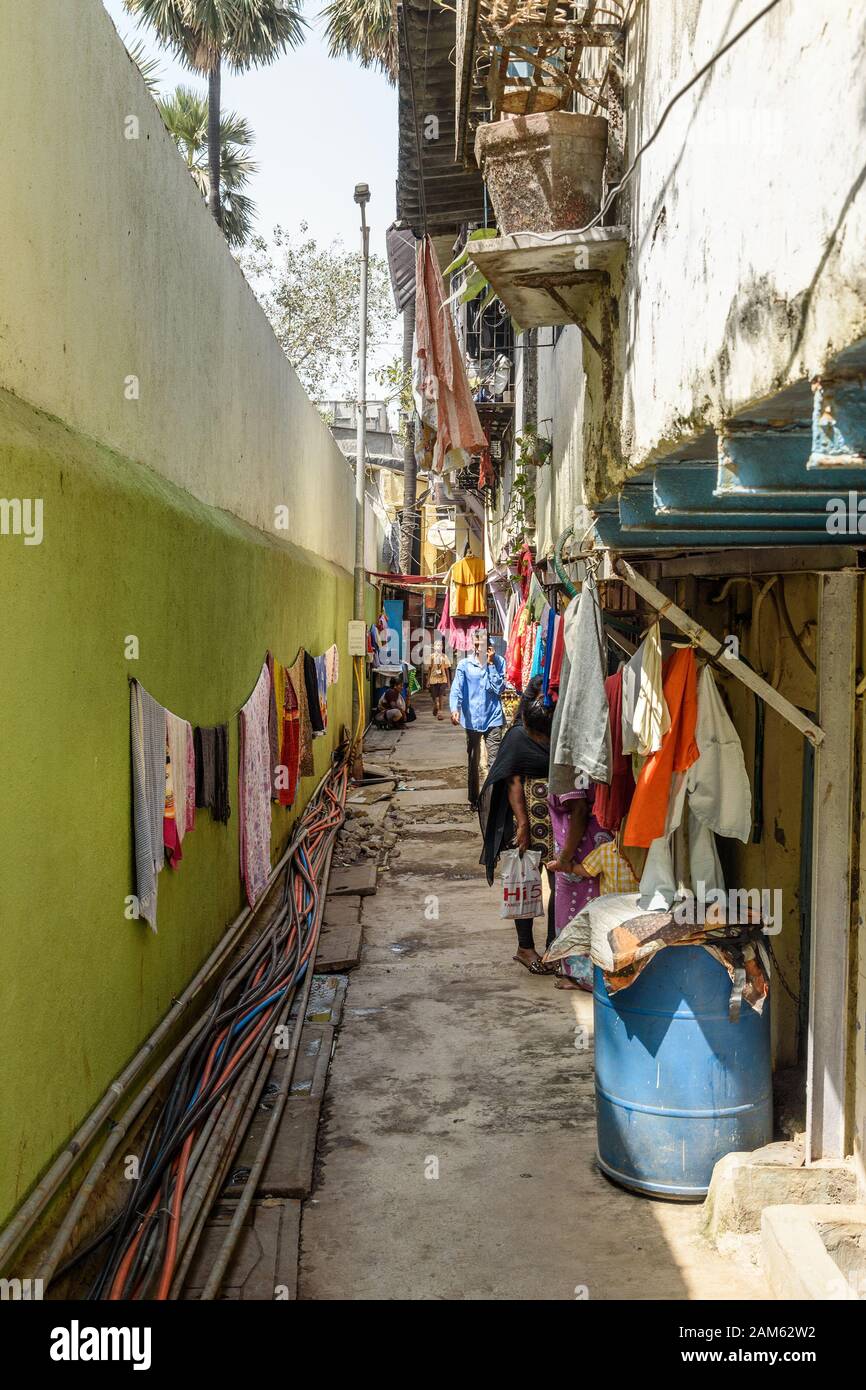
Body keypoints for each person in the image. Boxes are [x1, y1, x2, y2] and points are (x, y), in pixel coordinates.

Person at [479, 694, 557, 975]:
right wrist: (523, 825)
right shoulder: (517, 738)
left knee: (560, 884)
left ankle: (555, 946)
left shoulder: (556, 733)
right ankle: (525, 947)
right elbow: (513, 781)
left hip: (557, 822)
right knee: (525, 882)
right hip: (525, 820)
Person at [546, 783, 613, 990]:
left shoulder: (569, 759)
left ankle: (583, 976)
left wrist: (565, 858)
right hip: (597, 843)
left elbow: (579, 808)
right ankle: (594, 972)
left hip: (579, 849)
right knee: (599, 904)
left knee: (576, 911)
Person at [450, 633, 506, 808]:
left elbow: (500, 689)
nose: (478, 648)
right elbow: (456, 689)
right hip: (472, 719)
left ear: (489, 646)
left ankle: (493, 799)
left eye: (481, 645)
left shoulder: (499, 662)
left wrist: (491, 665)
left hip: (493, 718)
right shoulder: (464, 665)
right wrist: (455, 709)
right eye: (475, 644)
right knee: (473, 760)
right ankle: (474, 799)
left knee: (495, 760)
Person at [426, 640, 452, 720]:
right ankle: (435, 706)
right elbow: (429, 669)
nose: (439, 647)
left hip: (442, 679)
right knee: (434, 696)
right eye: (437, 645)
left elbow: (447, 670)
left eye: (440, 645)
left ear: (442, 647)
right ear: (434, 647)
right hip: (433, 679)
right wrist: (427, 681)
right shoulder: (431, 656)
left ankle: (440, 712)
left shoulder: (444, 657)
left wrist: (448, 681)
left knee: (441, 696)